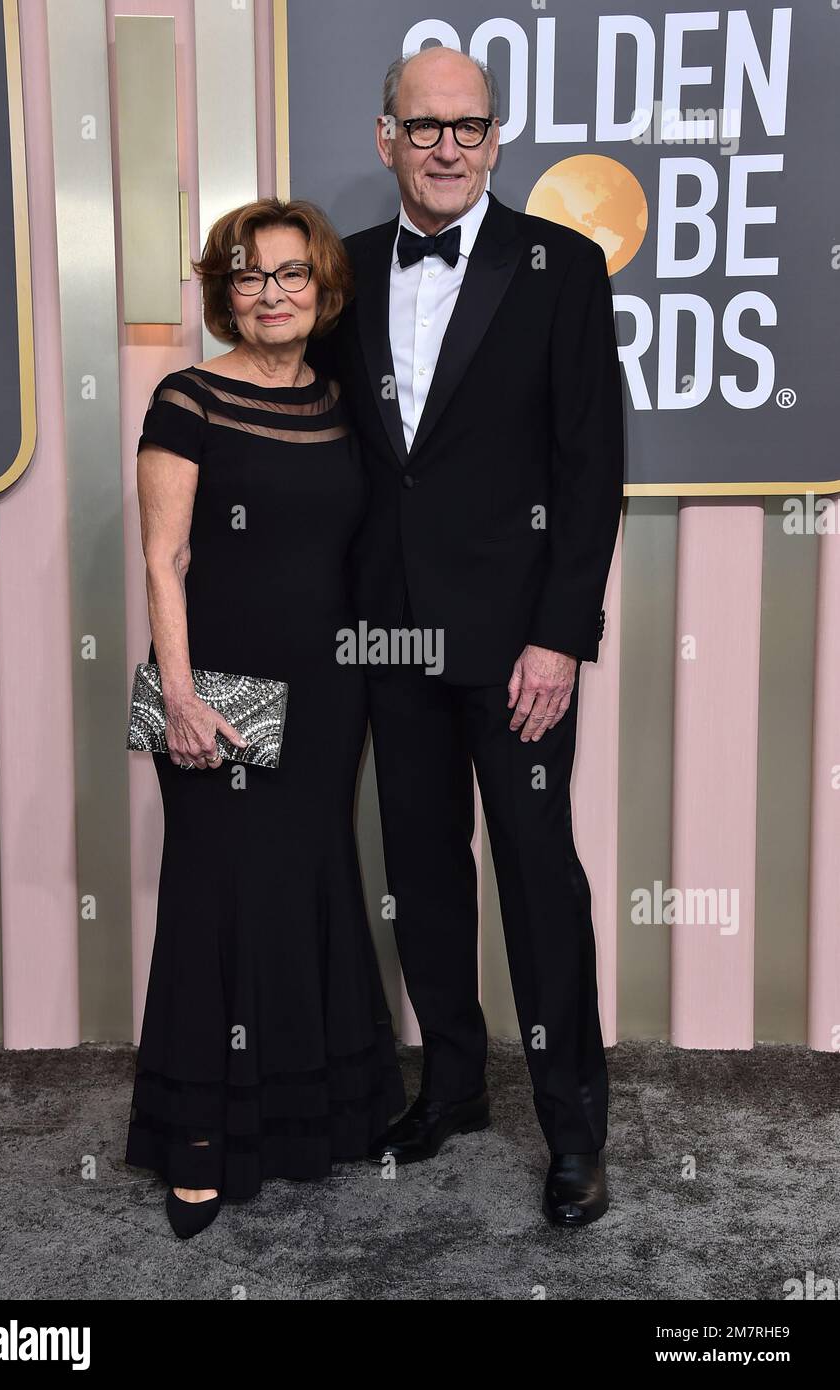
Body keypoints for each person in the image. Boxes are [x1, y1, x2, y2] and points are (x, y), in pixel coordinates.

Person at [307, 47, 624, 1227]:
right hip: (387, 631)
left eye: (468, 125)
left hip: (515, 640)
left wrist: (559, 639)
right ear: (387, 135)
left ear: (497, 139)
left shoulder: (563, 267)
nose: (447, 145)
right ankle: (449, 1085)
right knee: (423, 866)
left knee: (539, 873)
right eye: (423, 125)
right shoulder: (345, 273)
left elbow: (590, 470)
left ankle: (575, 1128)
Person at [124, 198, 406, 1238]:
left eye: (292, 275)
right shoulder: (187, 396)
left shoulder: (342, 404)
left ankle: (312, 1117)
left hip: (330, 688)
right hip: (219, 684)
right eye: (250, 276)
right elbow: (164, 558)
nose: (272, 294)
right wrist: (184, 698)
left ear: (323, 289)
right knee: (214, 903)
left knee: (308, 885)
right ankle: (196, 1143)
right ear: (223, 291)